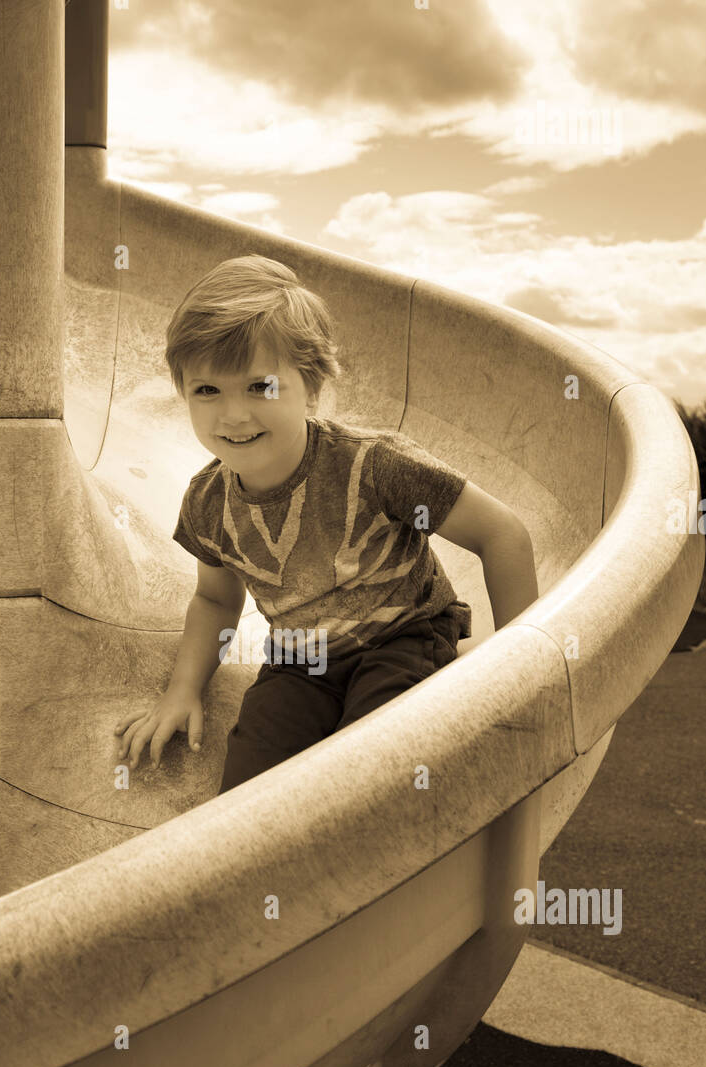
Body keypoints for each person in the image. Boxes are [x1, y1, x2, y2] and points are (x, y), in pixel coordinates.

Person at [114, 254, 538, 794]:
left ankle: (456, 663)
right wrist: (183, 690)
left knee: (369, 768)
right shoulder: (206, 501)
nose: (233, 414)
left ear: (311, 388)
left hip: (404, 636)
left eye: (260, 387)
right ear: (184, 393)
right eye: (207, 390)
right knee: (248, 791)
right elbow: (216, 600)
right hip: (301, 663)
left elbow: (501, 533)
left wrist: (524, 660)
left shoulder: (373, 465)